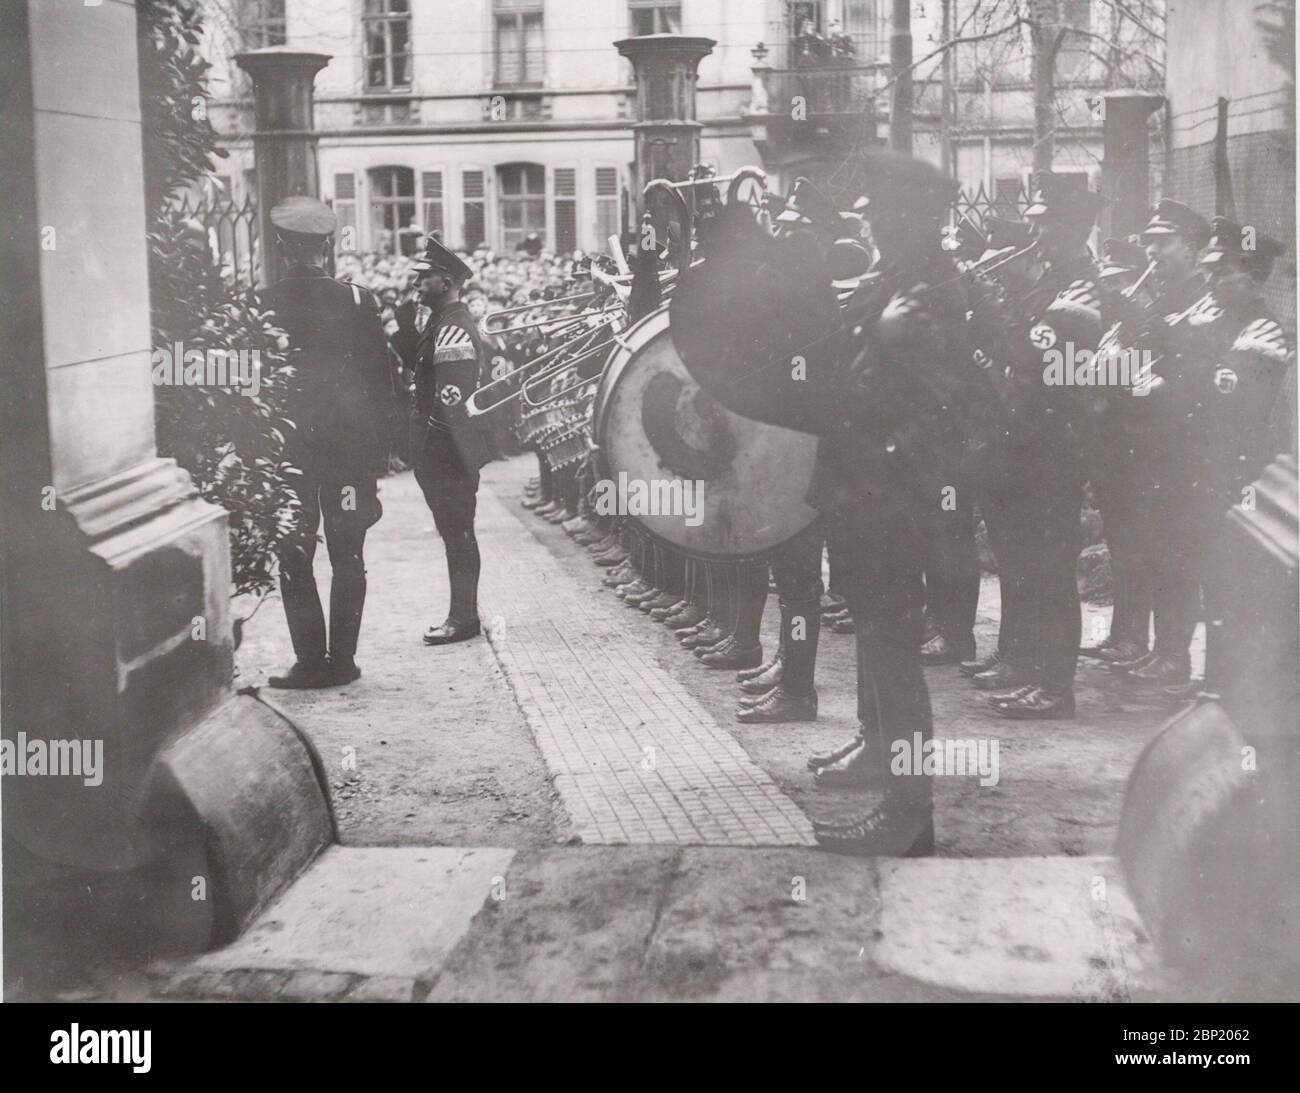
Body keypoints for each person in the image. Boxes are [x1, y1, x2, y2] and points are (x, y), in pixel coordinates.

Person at [672, 150, 973, 855]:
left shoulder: (932, 297)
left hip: (887, 501)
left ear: (907, 222)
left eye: (879, 218)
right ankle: (878, 753)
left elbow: (944, 413)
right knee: (878, 635)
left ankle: (909, 813)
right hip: (862, 494)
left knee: (894, 650)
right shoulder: (892, 285)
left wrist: (884, 467)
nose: (868, 228)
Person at [982, 172, 1104, 720]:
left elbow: (1035, 363)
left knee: (1053, 573)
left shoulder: (1082, 289)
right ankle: (1033, 671)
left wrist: (992, 323)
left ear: (1068, 227)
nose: (1033, 235)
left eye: (1042, 225)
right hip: (1022, 446)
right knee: (1029, 566)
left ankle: (1056, 688)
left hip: (1051, 450)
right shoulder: (1047, 283)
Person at [260, 196, 393, 689]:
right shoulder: (359, 301)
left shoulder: (262, 304)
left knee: (295, 552)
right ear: (329, 246)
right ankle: (345, 661)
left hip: (290, 454)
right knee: (348, 554)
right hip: (349, 454)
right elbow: (383, 384)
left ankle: (310, 660)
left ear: (280, 246)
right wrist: (380, 454)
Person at [409, 237, 493, 645]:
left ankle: (463, 618)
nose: (418, 283)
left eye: (425, 277)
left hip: (448, 453)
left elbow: (452, 400)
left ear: (445, 282)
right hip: (444, 452)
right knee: (455, 532)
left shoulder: (453, 326)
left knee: (458, 533)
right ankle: (461, 614)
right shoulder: (442, 321)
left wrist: (431, 450)